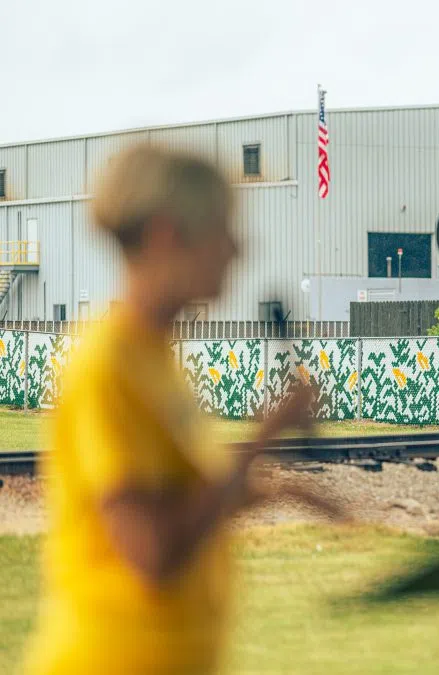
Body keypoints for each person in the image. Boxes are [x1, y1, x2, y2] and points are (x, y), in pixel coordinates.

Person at [23, 144, 344, 675]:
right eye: (223, 229)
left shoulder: (155, 357)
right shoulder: (107, 365)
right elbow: (154, 551)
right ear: (167, 235)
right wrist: (264, 437)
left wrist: (285, 490)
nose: (238, 251)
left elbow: (184, 500)